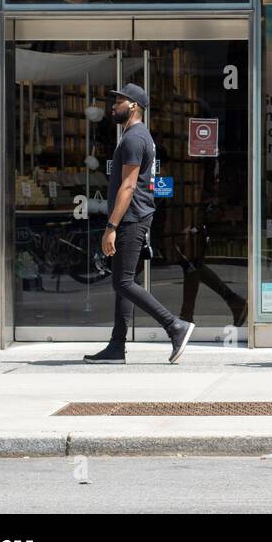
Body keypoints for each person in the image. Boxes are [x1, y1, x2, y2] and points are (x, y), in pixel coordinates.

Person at [84, 83, 195, 364]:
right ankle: (117, 346)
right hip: (135, 216)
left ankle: (175, 327)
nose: (113, 105)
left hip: (131, 217)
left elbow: (129, 186)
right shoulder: (138, 136)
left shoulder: (134, 138)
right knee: (124, 281)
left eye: (119, 101)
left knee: (122, 282)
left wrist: (111, 227)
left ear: (133, 106)